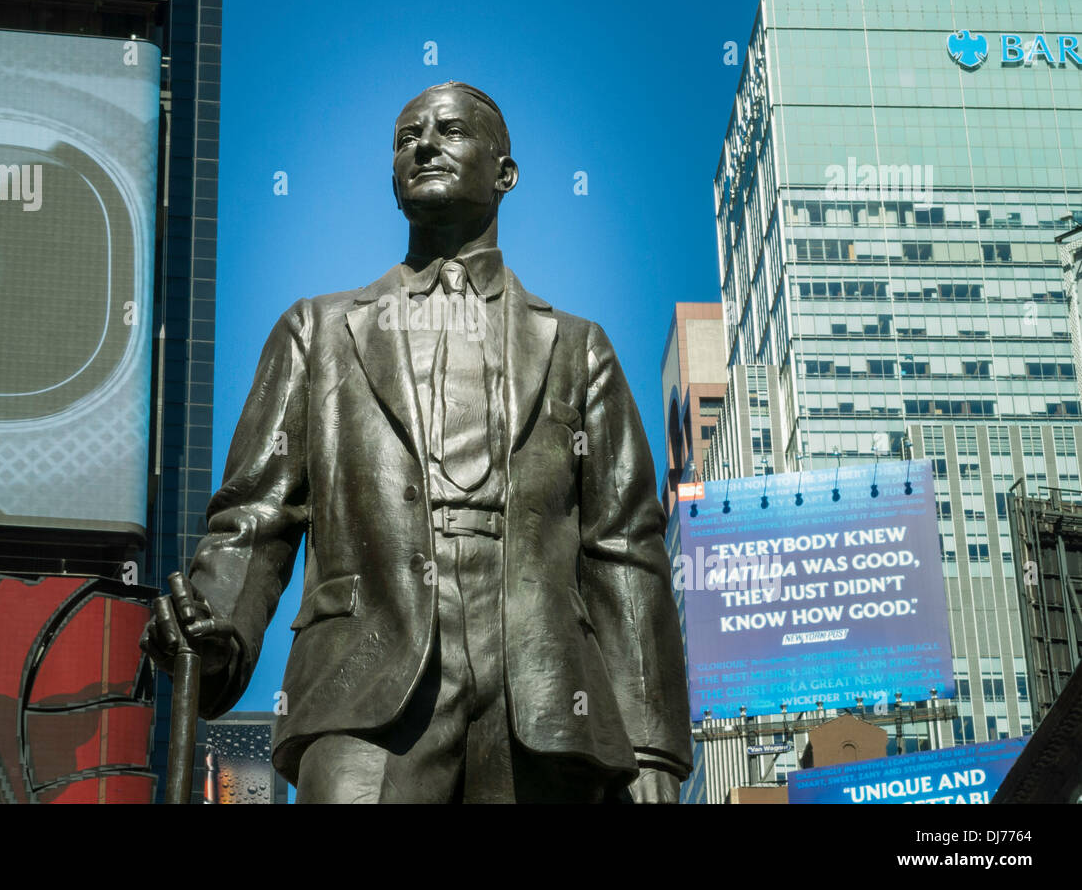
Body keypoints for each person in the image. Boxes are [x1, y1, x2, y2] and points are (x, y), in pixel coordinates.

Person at [143, 82, 691, 802]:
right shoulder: (319, 332)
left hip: (545, 692)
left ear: (505, 172)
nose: (422, 145)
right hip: (364, 685)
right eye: (405, 138)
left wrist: (651, 743)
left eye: (449, 130)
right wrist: (218, 630)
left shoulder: (578, 349)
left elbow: (625, 547)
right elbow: (256, 517)